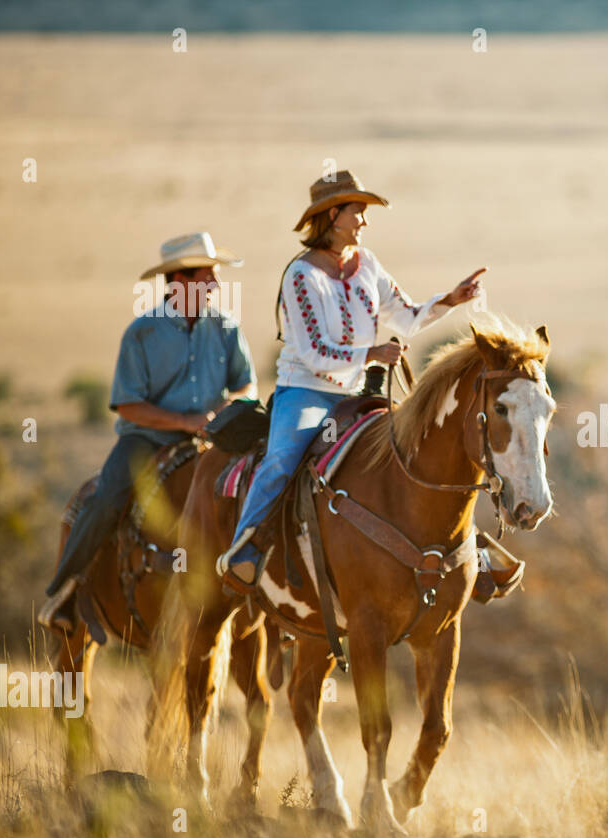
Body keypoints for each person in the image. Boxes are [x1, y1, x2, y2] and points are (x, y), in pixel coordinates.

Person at [217, 170, 486, 592]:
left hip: (357, 392)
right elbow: (312, 353)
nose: (364, 221)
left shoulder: (369, 266)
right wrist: (371, 354)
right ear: (333, 215)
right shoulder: (301, 276)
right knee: (282, 459)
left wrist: (449, 301)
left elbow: (405, 316)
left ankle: (459, 553)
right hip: (305, 391)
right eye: (358, 212)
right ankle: (244, 550)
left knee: (412, 447)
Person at [39, 232, 256, 629]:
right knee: (105, 499)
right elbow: (128, 405)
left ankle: (273, 596)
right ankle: (65, 593)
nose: (216, 284)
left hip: (213, 439)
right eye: (207, 276)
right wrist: (185, 422)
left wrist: (230, 404)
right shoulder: (141, 333)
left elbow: (246, 384)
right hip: (146, 439)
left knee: (260, 481)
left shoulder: (226, 327)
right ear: (179, 281)